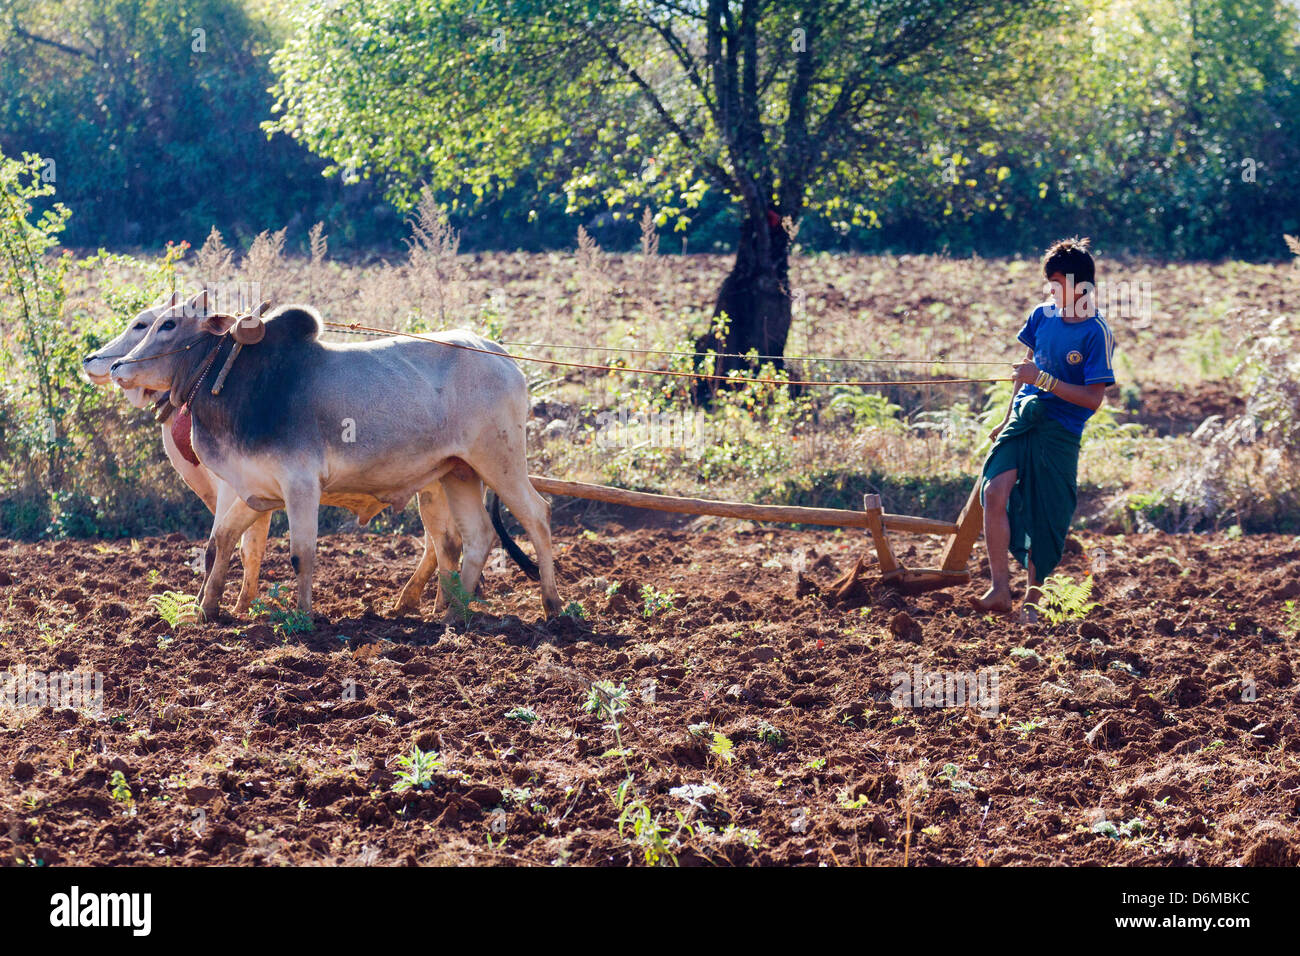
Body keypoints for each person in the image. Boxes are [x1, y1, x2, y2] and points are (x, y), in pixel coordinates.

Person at [969, 237, 1116, 615]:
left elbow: (1093, 399)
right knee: (994, 490)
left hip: (1060, 428)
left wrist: (1044, 381)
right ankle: (999, 589)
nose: (1050, 290)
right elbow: (1026, 368)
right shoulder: (1041, 315)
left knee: (1045, 513)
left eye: (1056, 283)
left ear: (1080, 286)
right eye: (1049, 283)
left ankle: (1033, 597)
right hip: (1023, 418)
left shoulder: (1095, 333)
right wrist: (1005, 419)